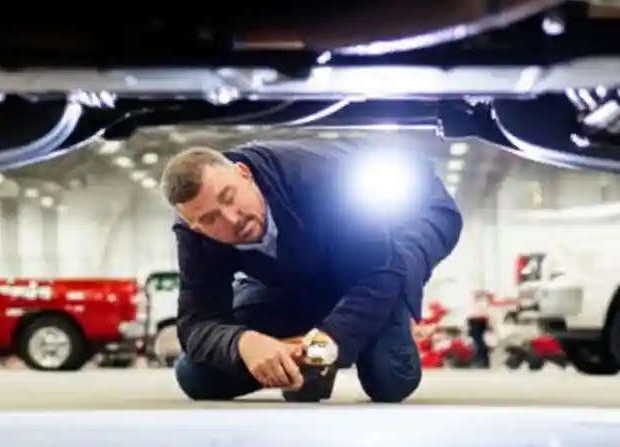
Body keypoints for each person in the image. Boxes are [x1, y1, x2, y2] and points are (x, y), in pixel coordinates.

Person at [161, 139, 463, 402]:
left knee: (390, 379)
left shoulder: (318, 177)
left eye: (229, 197)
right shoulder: (193, 235)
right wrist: (246, 344)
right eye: (211, 219)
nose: (231, 218)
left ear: (244, 173)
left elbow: (380, 270)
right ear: (194, 226)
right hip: (296, 271)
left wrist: (330, 340)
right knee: (196, 376)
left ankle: (363, 324)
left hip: (397, 231)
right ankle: (312, 359)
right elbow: (197, 321)